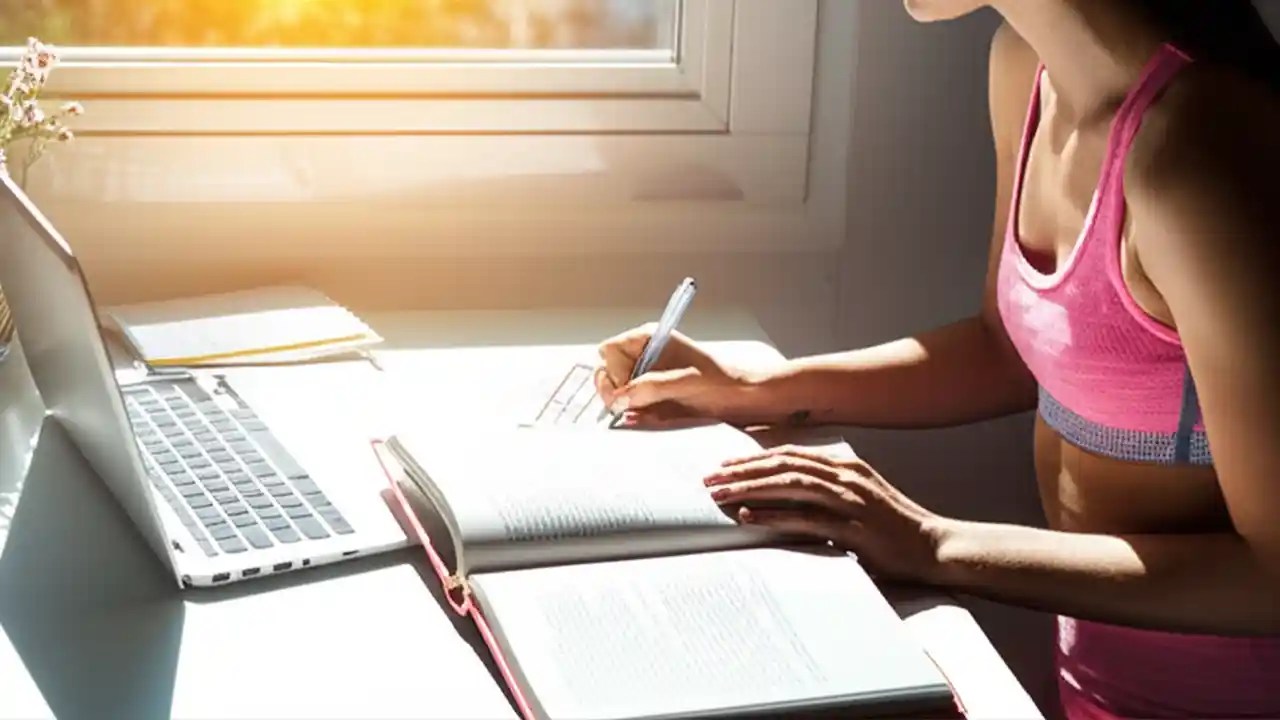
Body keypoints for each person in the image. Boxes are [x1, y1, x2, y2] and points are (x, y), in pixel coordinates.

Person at [593, 1, 1280, 718]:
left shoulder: (1203, 148)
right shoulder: (1026, 69)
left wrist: (934, 542)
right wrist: (758, 386)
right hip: (1093, 685)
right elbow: (1015, 350)